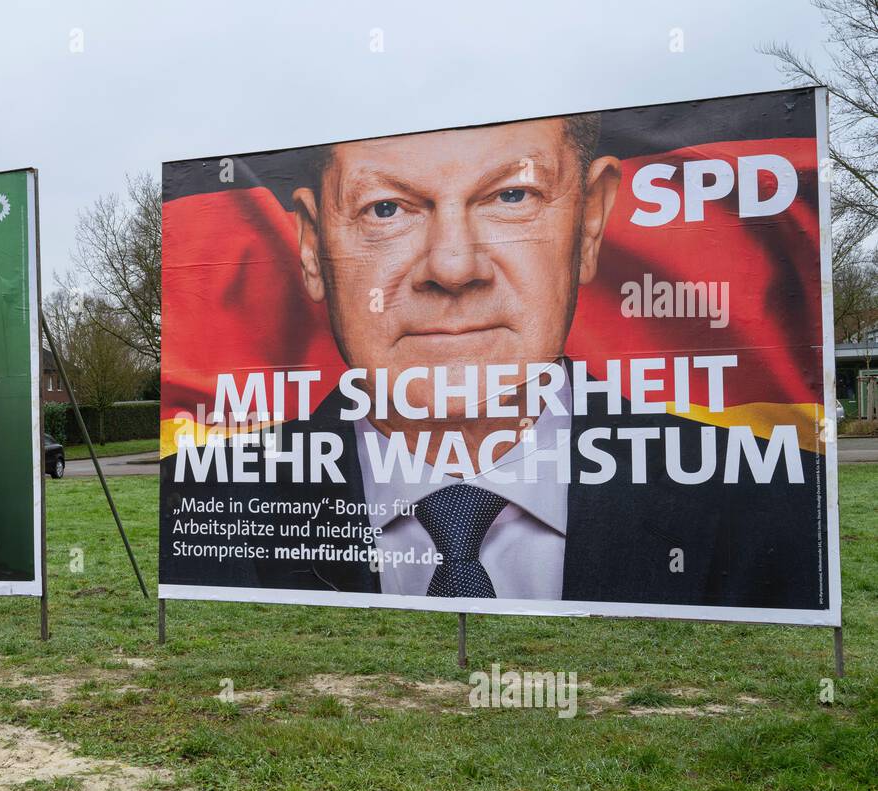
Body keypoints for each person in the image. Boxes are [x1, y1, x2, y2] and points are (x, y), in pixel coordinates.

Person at [161, 115, 826, 610]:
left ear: (590, 222)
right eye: (385, 209)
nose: (453, 267)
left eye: (512, 196)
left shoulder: (774, 503)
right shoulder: (201, 503)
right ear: (311, 246)